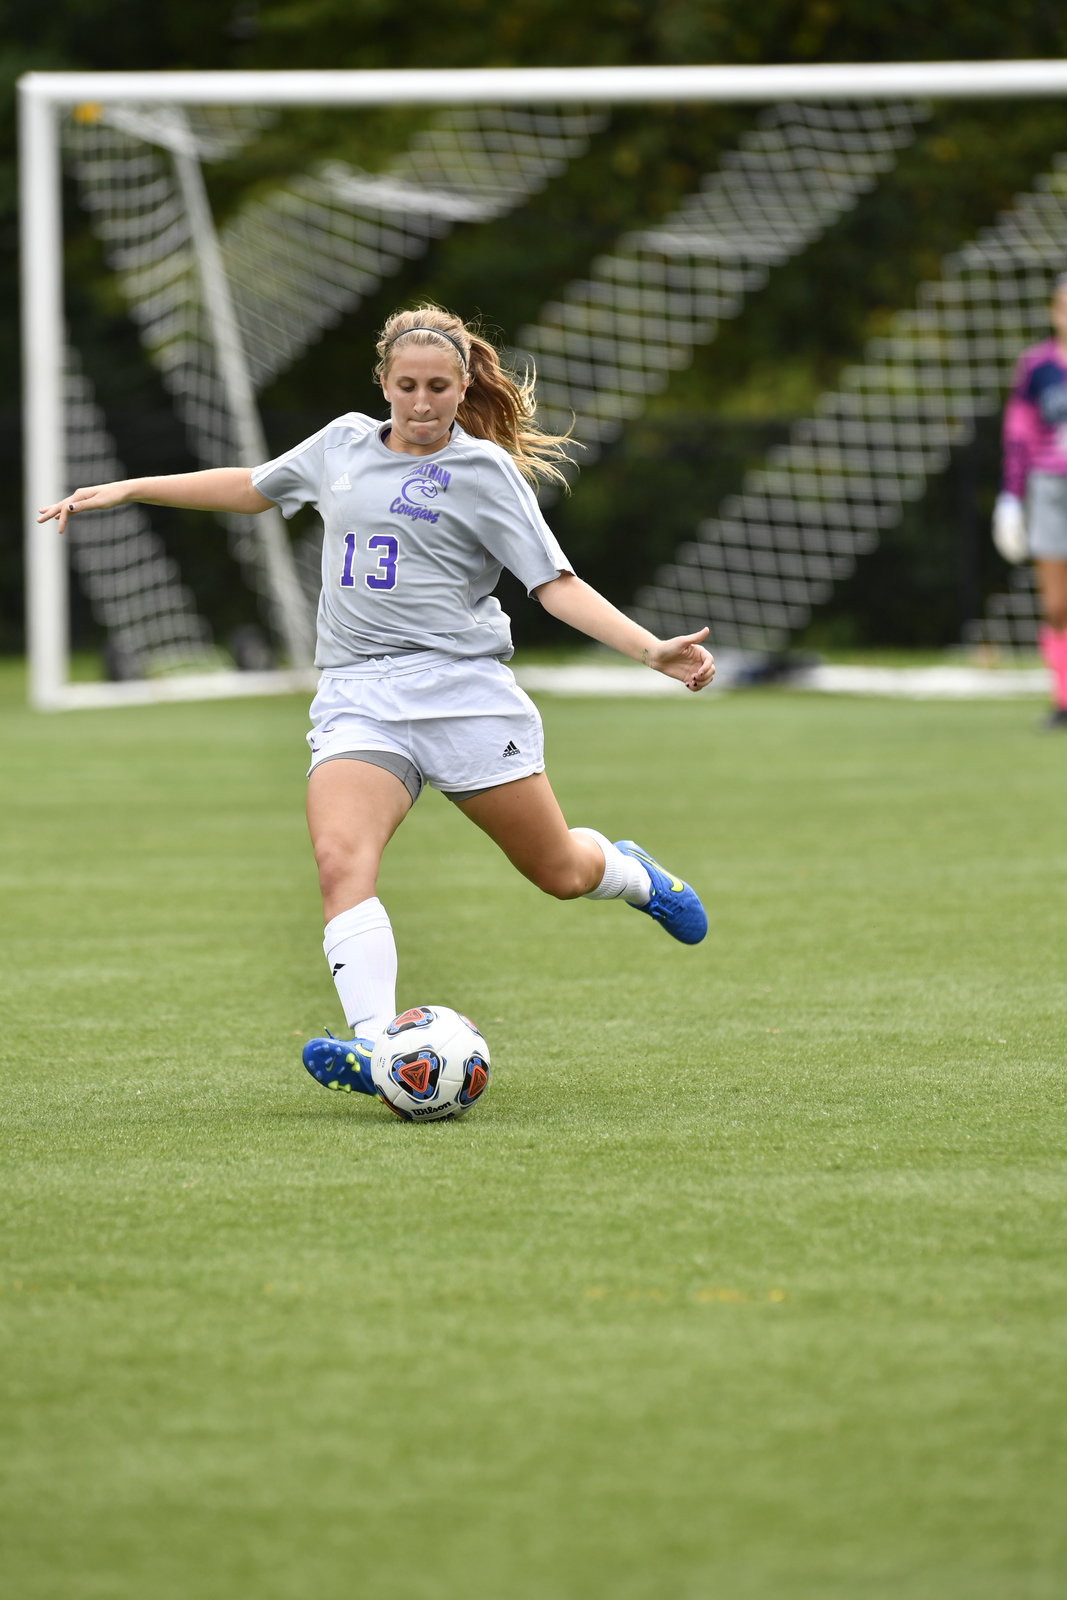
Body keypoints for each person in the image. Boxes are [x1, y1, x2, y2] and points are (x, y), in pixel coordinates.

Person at [39, 305, 713, 1097]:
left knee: (558, 870)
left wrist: (650, 650)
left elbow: (553, 585)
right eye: (406, 386)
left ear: (464, 387)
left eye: (437, 387)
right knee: (339, 862)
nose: (421, 403)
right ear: (382, 384)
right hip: (359, 696)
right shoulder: (341, 445)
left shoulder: (485, 473)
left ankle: (631, 874)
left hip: (464, 697)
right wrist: (130, 488)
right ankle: (377, 1048)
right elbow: (254, 488)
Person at [994, 272, 1067, 728]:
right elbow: (1018, 434)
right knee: (1058, 603)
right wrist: (1010, 495)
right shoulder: (1037, 366)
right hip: (1051, 488)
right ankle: (1063, 698)